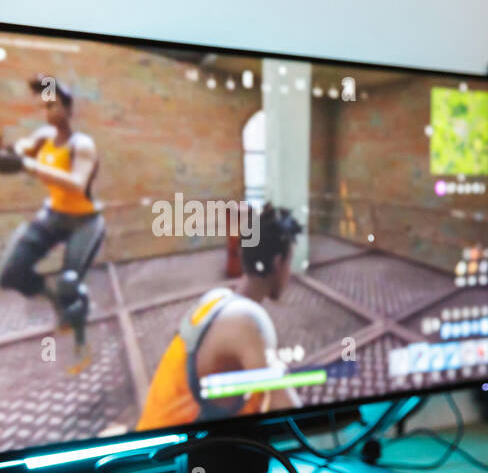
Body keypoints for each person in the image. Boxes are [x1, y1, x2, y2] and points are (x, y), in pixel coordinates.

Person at [136, 203, 303, 431]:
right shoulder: (248, 322)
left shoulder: (217, 298)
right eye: (289, 263)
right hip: (166, 458)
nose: (289, 274)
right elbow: (292, 416)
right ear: (277, 263)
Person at [0, 75, 103, 373]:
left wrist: (31, 166)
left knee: (70, 283)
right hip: (53, 215)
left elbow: (77, 183)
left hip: (84, 220)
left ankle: (80, 340)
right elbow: (17, 154)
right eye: (45, 107)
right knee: (9, 272)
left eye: (55, 106)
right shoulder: (43, 136)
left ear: (69, 109)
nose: (49, 113)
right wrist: (11, 154)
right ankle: (53, 296)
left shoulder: (82, 144)